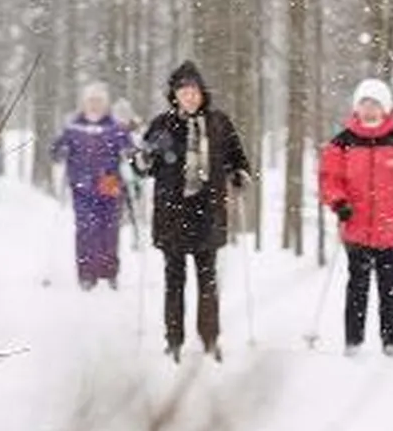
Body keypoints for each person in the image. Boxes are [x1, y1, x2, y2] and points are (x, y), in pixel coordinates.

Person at [133, 61, 251, 362]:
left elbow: (237, 159)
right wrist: (144, 158)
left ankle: (210, 339)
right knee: (174, 280)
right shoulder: (162, 125)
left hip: (207, 212)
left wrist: (238, 173)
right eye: (184, 91)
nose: (190, 96)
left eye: (194, 91)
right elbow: (143, 167)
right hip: (172, 212)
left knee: (208, 280)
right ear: (174, 95)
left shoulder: (218, 123)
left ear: (202, 93)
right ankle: (173, 340)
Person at [318, 78, 393, 356]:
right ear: (356, 108)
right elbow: (329, 178)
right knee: (357, 285)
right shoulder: (343, 141)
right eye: (364, 104)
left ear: (386, 108)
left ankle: (389, 342)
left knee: (389, 288)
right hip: (356, 225)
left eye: (375, 104)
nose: (369, 110)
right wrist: (338, 202)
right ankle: (353, 342)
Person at [50, 82, 132, 290]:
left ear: (105, 105)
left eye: (99, 101)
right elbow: (56, 149)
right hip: (82, 185)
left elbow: (130, 148)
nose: (94, 105)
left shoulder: (114, 126)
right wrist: (58, 152)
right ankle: (87, 274)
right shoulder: (73, 127)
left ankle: (109, 272)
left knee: (109, 229)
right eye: (91, 101)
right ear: (83, 104)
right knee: (86, 229)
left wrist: (131, 152)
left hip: (109, 183)